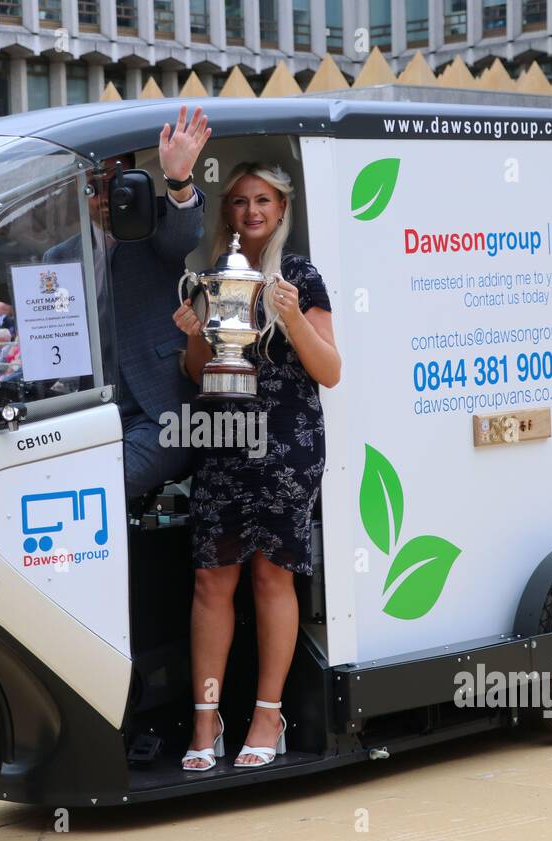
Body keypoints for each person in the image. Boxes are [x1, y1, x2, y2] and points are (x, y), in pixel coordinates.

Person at [172, 162, 341, 771]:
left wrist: (291, 316)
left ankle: (270, 715)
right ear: (227, 211)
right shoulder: (213, 276)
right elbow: (198, 371)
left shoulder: (301, 276)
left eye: (262, 201)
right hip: (222, 439)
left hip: (288, 443)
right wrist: (194, 334)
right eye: (240, 201)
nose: (251, 212)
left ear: (282, 207)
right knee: (211, 580)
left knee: (273, 576)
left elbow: (330, 370)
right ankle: (207, 718)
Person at [44, 105, 211, 498]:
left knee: (98, 486)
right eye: (94, 184)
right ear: (80, 187)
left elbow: (185, 234)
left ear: (134, 183)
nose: (105, 196)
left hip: (162, 414)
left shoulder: (155, 228)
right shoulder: (59, 258)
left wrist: (179, 178)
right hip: (87, 411)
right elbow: (54, 340)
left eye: (116, 184)